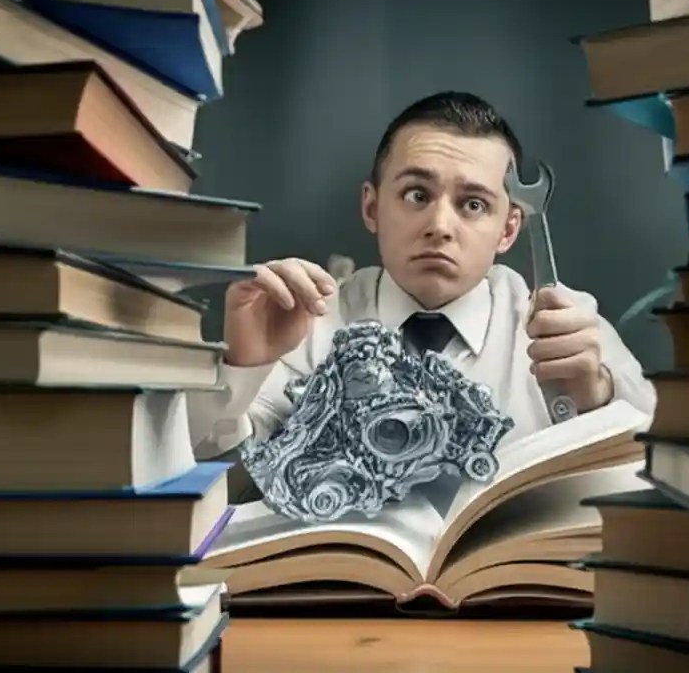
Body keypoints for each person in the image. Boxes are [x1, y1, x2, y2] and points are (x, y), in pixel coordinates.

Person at [188, 91, 657, 501]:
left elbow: (659, 480)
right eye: (416, 195)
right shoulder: (303, 321)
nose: (440, 225)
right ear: (372, 207)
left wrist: (599, 401)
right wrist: (242, 370)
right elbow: (212, 485)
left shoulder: (571, 332)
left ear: (509, 228)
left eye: (473, 205)